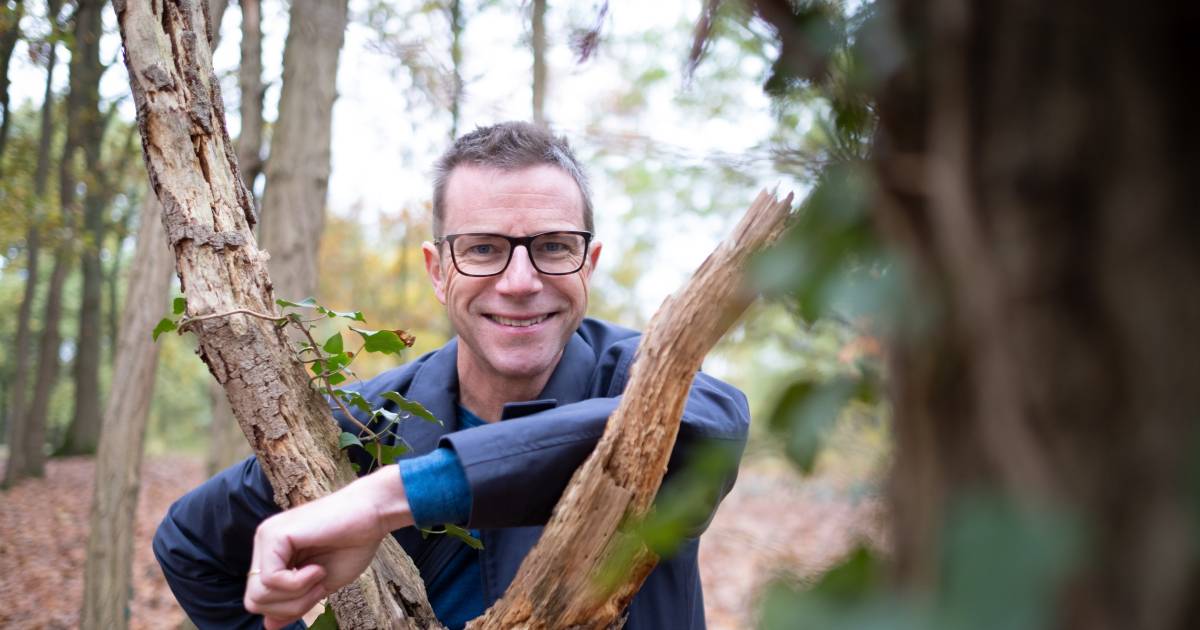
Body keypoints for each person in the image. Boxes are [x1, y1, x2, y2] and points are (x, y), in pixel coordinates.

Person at [153, 121, 750, 630]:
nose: (520, 282)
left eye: (553, 246)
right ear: (438, 271)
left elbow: (707, 427)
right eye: (484, 249)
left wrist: (386, 499)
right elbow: (190, 543)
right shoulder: (370, 423)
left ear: (587, 264)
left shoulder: (640, 376)